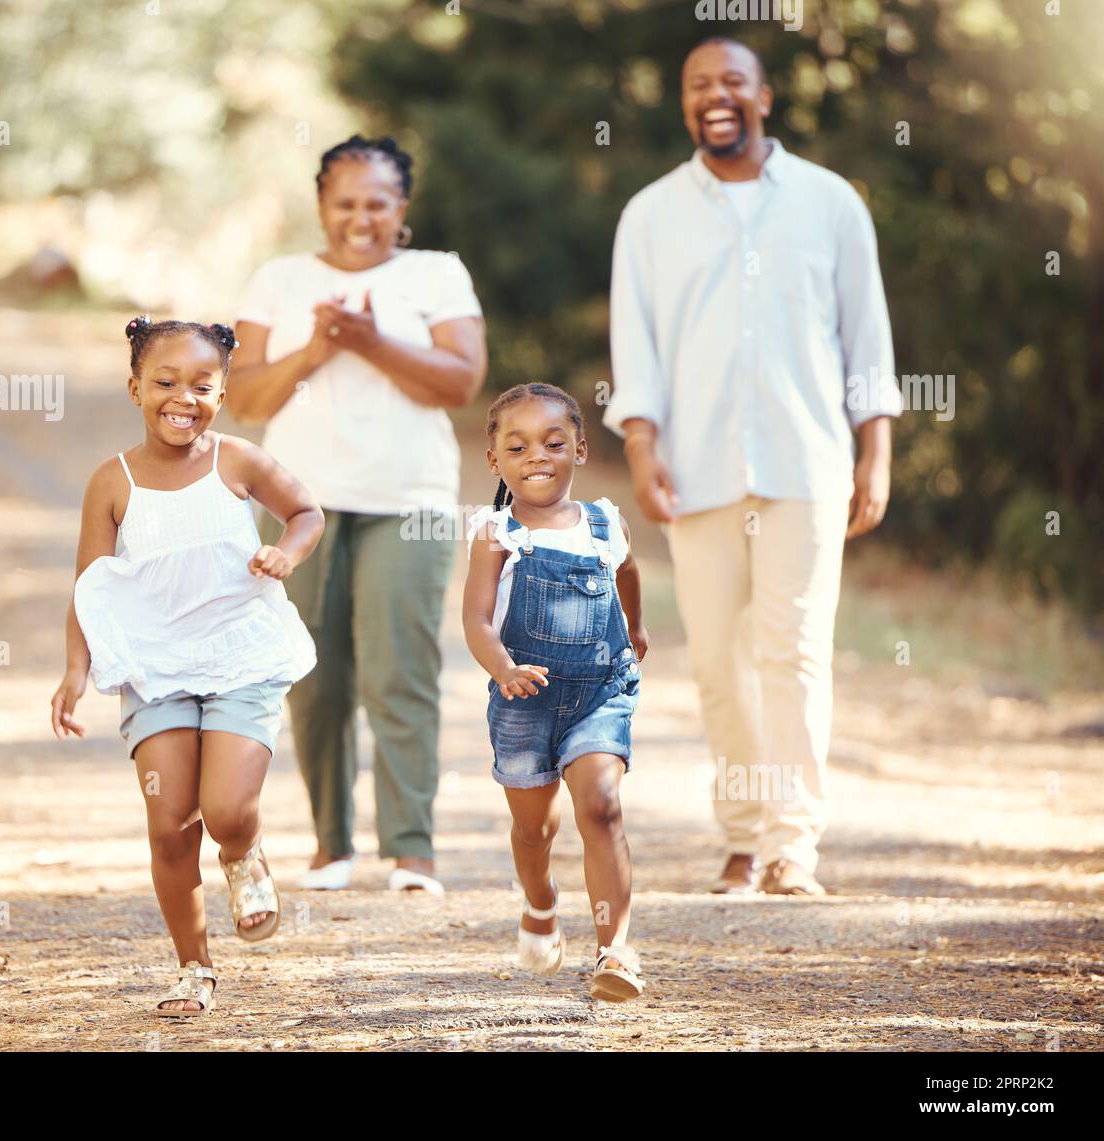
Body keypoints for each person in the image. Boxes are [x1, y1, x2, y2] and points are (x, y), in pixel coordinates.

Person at [605, 37, 903, 896]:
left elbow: (866, 335)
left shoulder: (829, 202)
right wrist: (642, 444)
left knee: (795, 654)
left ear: (764, 96)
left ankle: (788, 845)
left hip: (807, 464)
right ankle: (739, 834)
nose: (716, 95)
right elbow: (639, 344)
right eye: (698, 84)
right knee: (717, 663)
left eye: (732, 80)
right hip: (696, 469)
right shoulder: (651, 213)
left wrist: (874, 451)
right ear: (686, 104)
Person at [227, 135, 488, 895]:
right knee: (314, 674)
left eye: (377, 202)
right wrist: (315, 348)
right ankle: (330, 846)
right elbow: (242, 398)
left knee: (399, 672)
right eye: (345, 202)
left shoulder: (435, 273)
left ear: (400, 208)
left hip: (410, 502)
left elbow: (461, 380)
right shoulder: (279, 278)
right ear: (321, 205)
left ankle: (412, 851)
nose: (360, 217)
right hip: (301, 500)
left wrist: (372, 340)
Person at [50, 316, 324, 1015]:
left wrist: (285, 554)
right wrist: (75, 670)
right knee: (171, 822)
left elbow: (305, 512)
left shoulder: (236, 460)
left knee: (227, 808)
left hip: (240, 654)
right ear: (135, 386)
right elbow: (91, 584)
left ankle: (243, 850)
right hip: (154, 665)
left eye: (202, 384)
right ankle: (194, 969)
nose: (183, 397)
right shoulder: (111, 483)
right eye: (165, 381)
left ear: (223, 390)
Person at [463, 383, 648, 1002]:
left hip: (600, 691)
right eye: (517, 447)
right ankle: (540, 900)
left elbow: (627, 571)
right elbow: (477, 621)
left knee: (601, 805)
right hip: (524, 703)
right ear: (495, 462)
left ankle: (613, 950)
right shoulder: (496, 533)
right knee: (534, 831)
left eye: (553, 442)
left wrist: (637, 625)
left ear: (580, 449)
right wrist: (503, 668)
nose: (536, 455)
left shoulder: (605, 521)